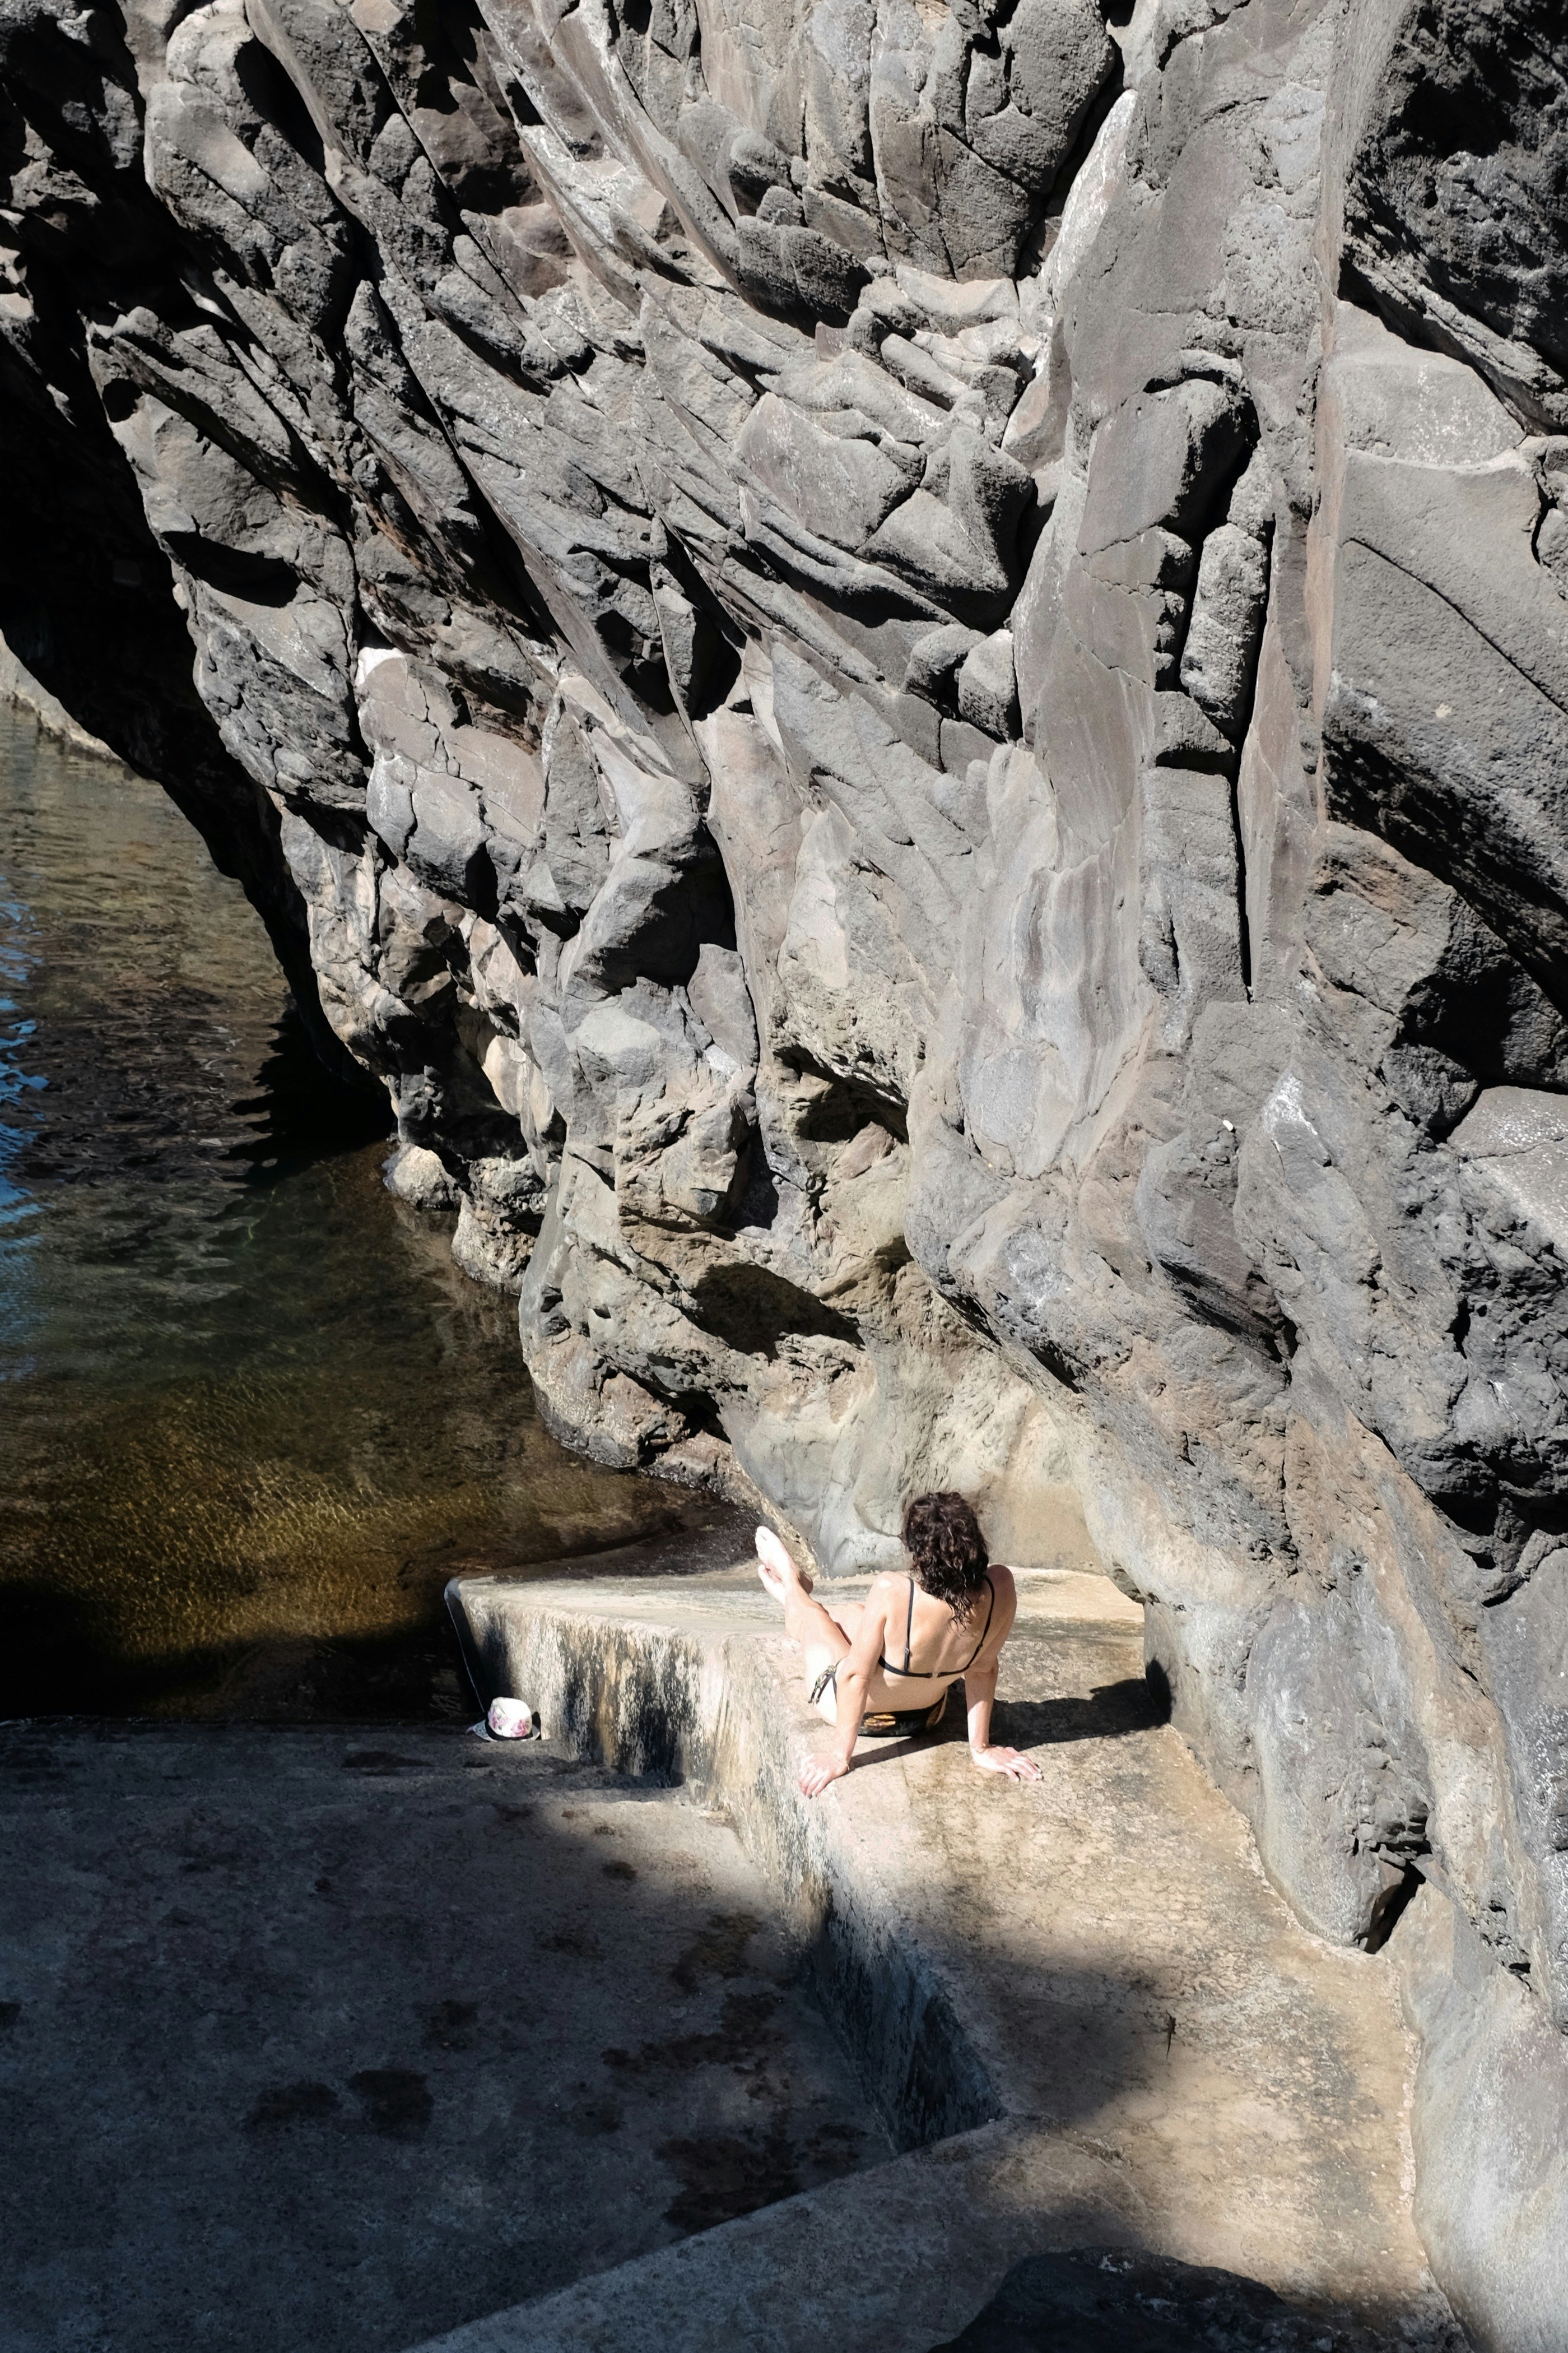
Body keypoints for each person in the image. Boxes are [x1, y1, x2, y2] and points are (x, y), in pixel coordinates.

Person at [754, 1491, 1043, 1798]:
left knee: (813, 1620)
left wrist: (839, 1758)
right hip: (928, 1715)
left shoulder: (893, 1590)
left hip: (863, 1716)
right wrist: (981, 1748)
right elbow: (983, 1670)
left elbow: (855, 1677)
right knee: (853, 1615)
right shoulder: (1001, 1587)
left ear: (918, 1552)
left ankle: (792, 1586)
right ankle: (806, 1600)